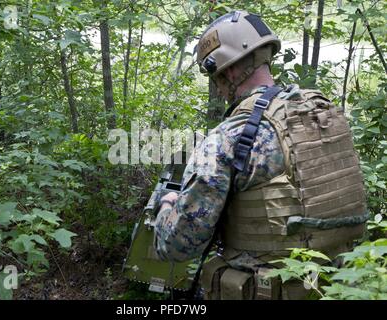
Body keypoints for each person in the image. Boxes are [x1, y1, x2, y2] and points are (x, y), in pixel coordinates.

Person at [153, 10, 368, 300]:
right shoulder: (320, 113)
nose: (217, 86)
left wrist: (166, 205)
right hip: (337, 286)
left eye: (214, 77)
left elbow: (177, 245)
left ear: (228, 71)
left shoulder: (228, 138)